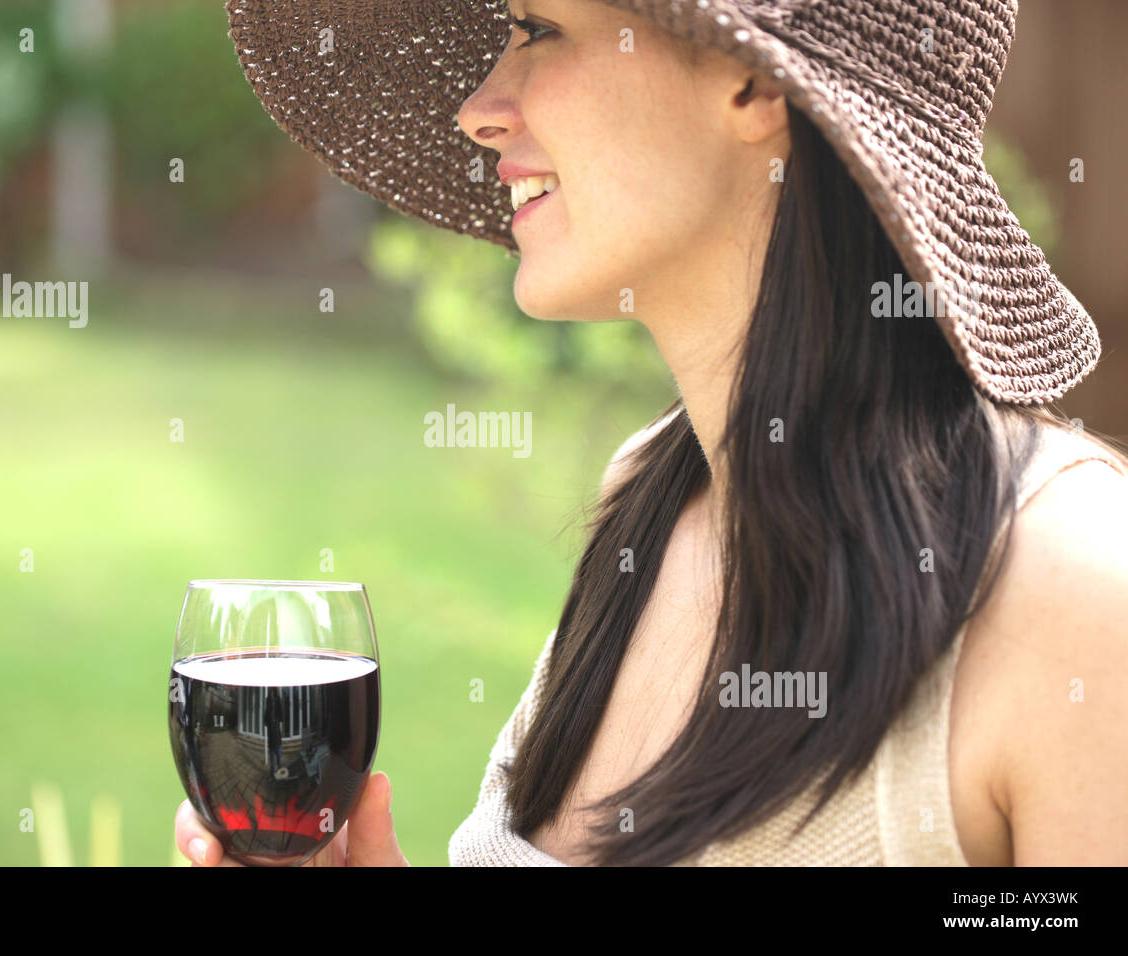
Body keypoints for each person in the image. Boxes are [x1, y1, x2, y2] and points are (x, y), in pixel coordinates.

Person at [177, 0, 1128, 866]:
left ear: (753, 79)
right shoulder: (651, 499)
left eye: (538, 28)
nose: (479, 108)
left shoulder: (1076, 596)